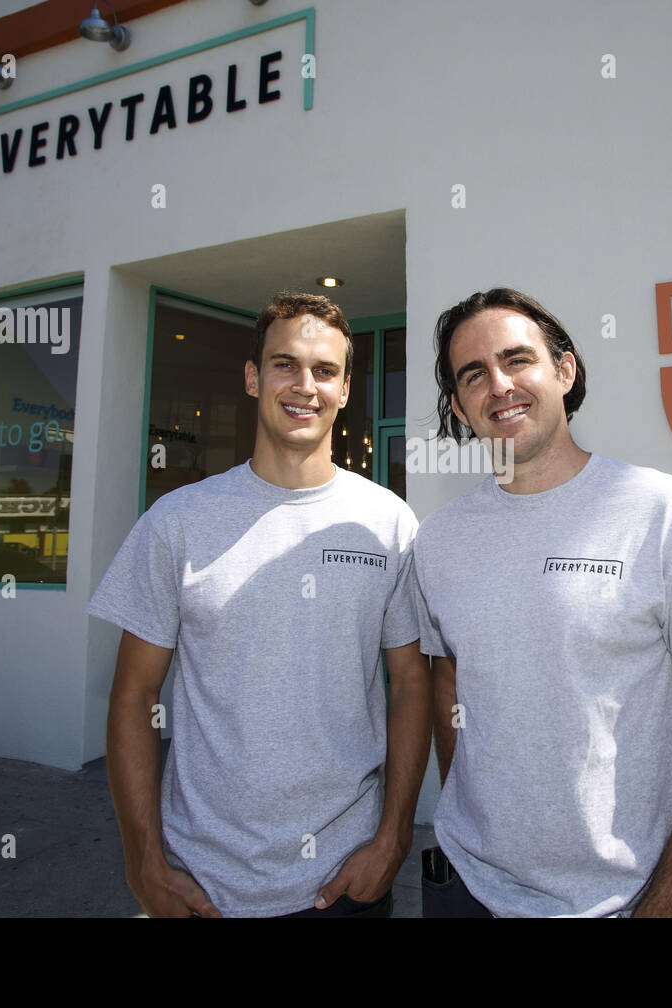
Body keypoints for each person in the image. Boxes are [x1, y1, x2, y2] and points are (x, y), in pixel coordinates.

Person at [413, 288, 672, 917]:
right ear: (458, 405)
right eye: (474, 373)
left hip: (624, 901)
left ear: (564, 370)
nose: (499, 384)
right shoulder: (439, 539)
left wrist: (666, 905)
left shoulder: (662, 512)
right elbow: (447, 682)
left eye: (517, 359)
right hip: (466, 892)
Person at [88, 291, 431, 917]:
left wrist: (394, 836)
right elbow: (133, 697)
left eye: (325, 370)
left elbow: (412, 681)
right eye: (285, 364)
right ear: (252, 377)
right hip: (204, 885)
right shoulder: (178, 523)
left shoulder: (387, 524)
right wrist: (144, 862)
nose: (305, 385)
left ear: (346, 388)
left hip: (345, 884)